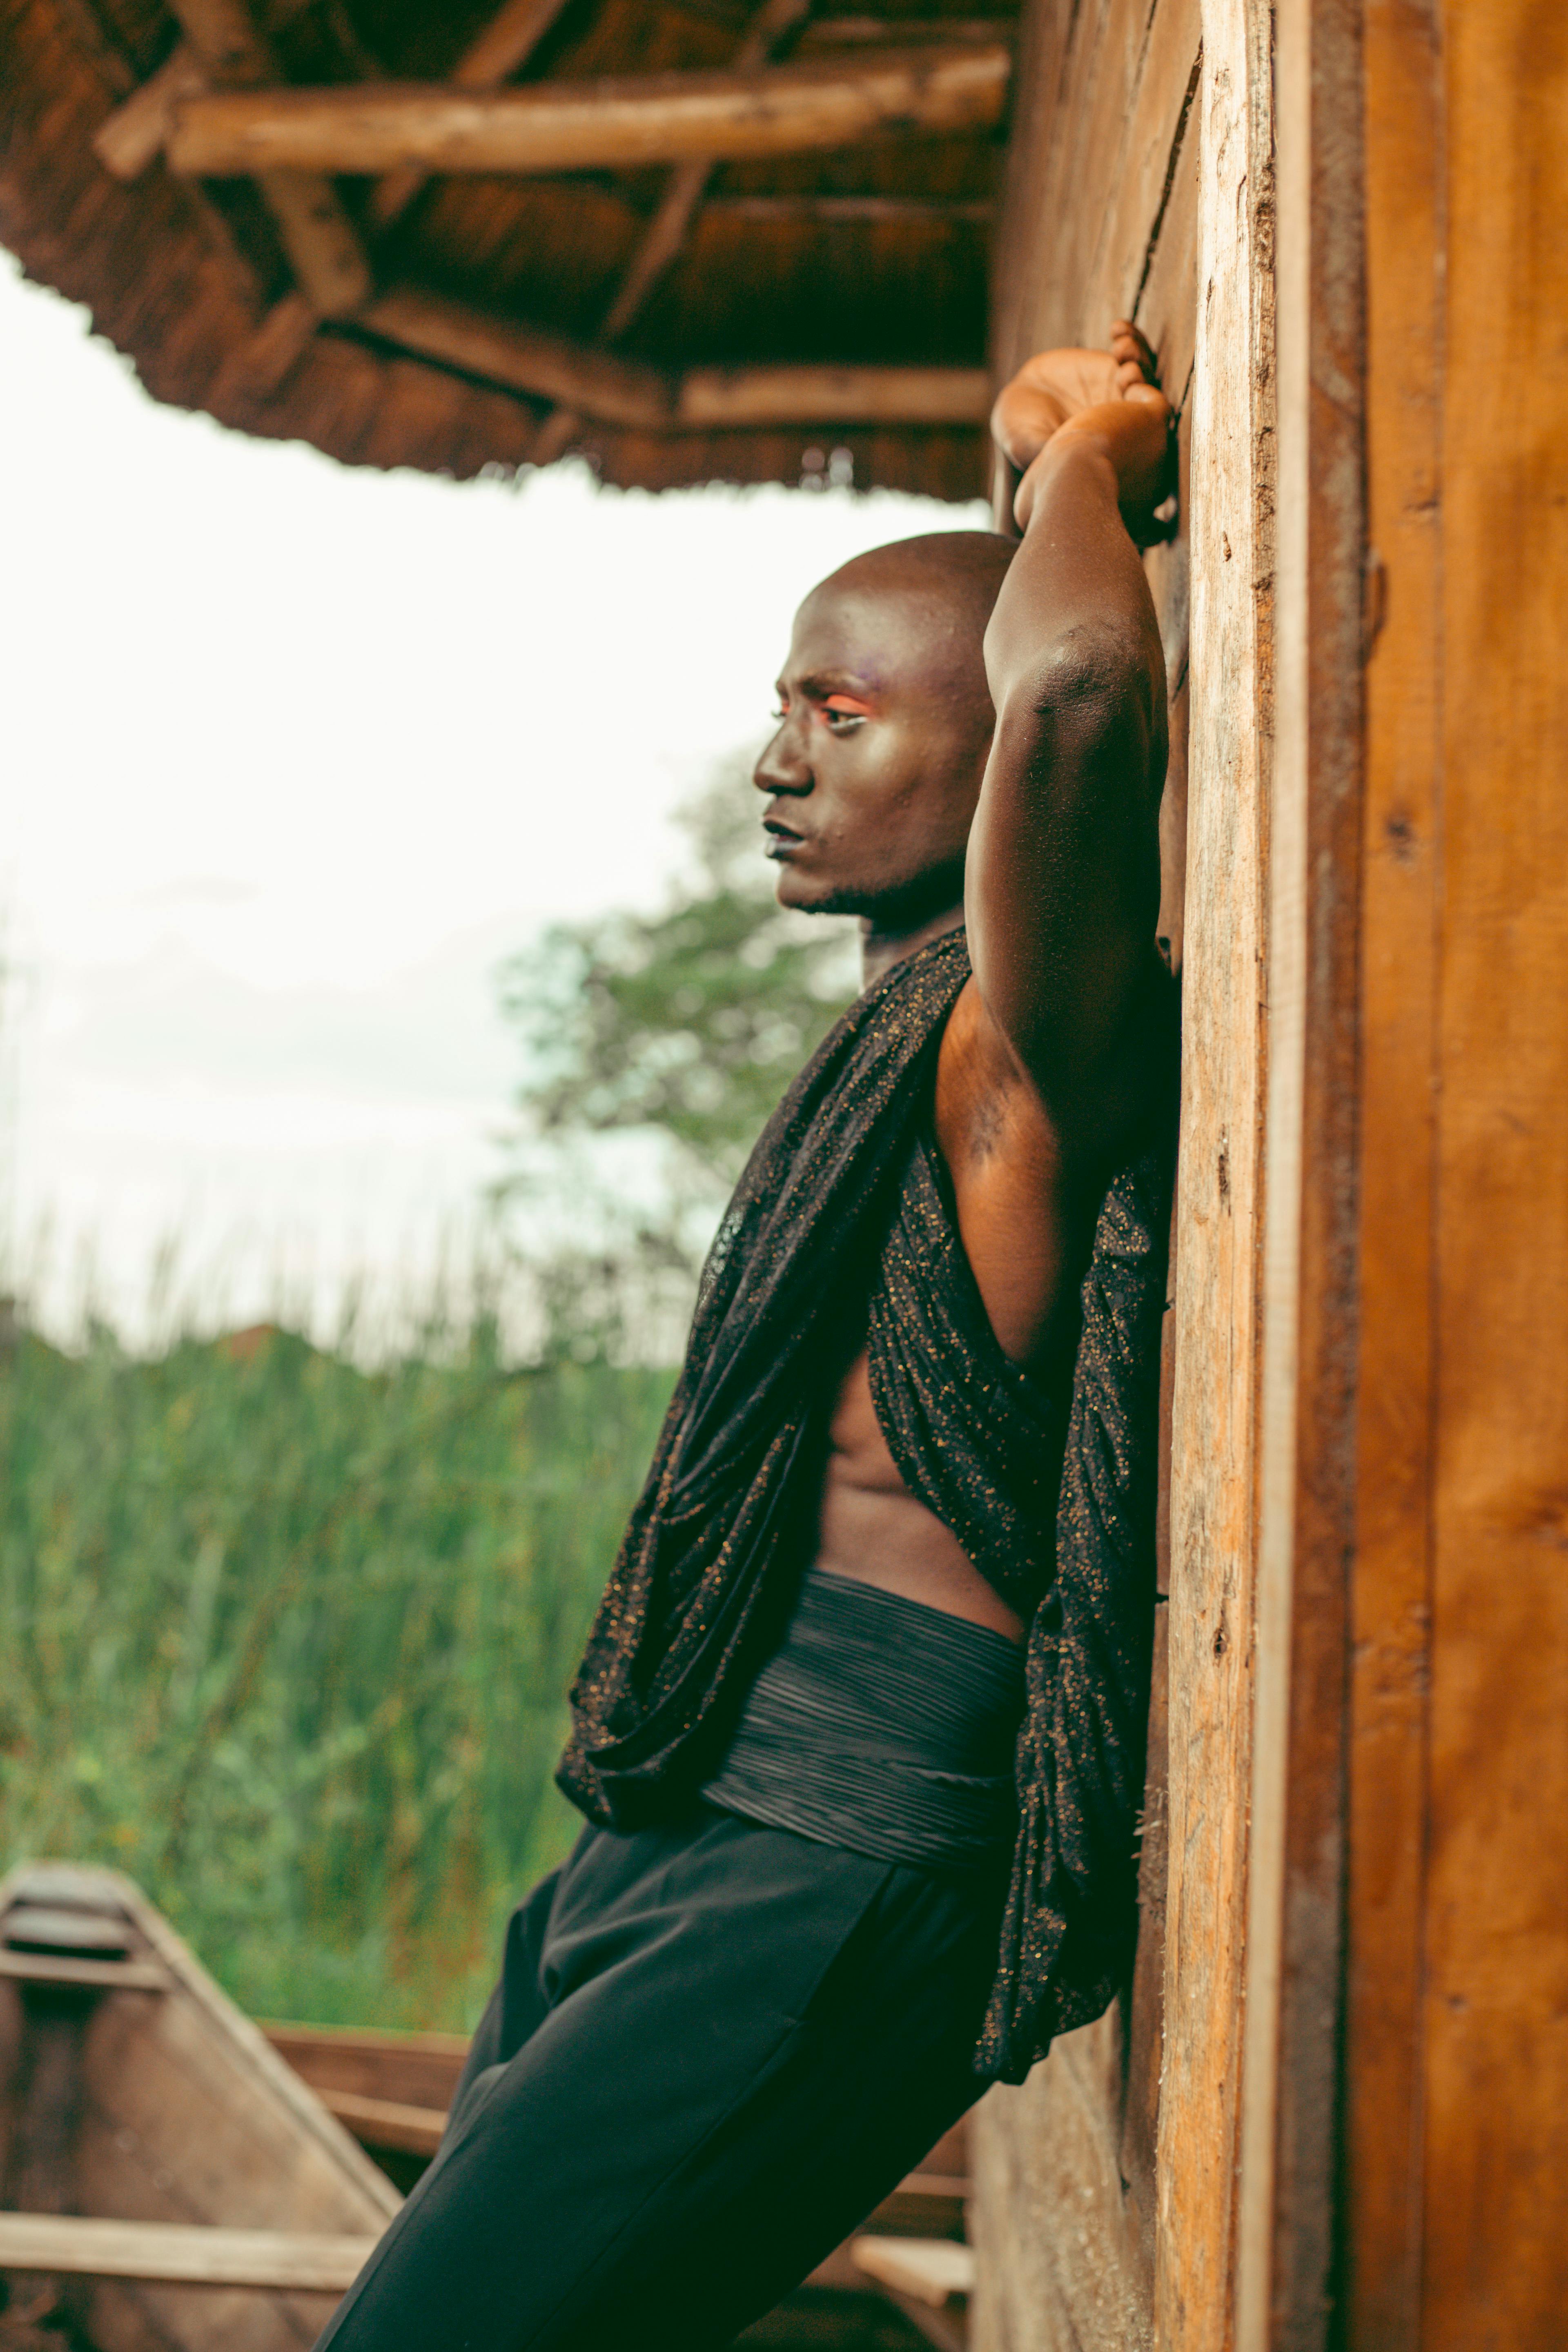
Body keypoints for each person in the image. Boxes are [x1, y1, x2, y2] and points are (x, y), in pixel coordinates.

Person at [316, 327, 1179, 2352]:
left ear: (973, 766)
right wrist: (1021, 459)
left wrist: (1085, 458)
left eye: (844, 711)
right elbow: (1015, 672)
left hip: (836, 1854)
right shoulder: (911, 1025)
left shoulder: (1017, 1052)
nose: (779, 757)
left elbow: (1068, 681)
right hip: (690, 1806)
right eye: (783, 706)